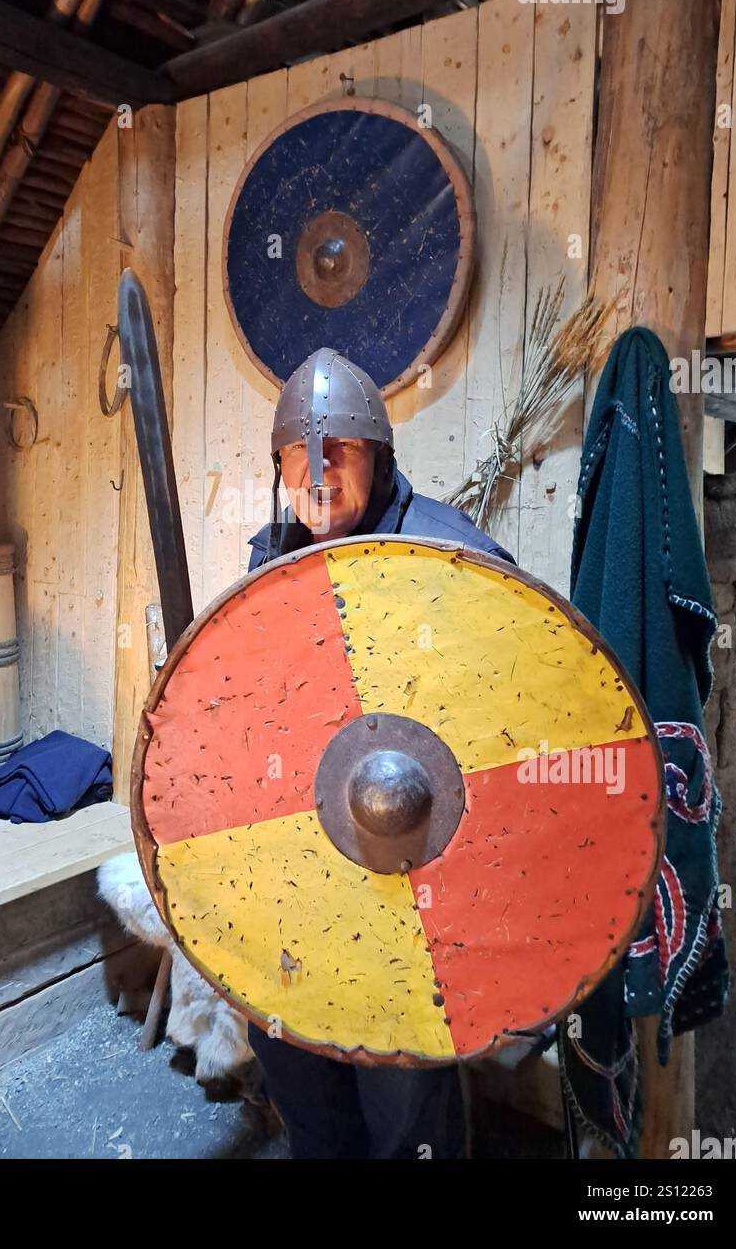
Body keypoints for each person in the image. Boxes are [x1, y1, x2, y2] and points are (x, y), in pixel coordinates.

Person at [244, 347, 514, 1160]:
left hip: (411, 878)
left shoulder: (451, 558)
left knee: (403, 1099)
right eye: (298, 455)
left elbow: (511, 716)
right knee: (300, 1075)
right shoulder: (270, 559)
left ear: (380, 456)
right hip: (300, 869)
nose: (317, 474)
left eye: (341, 451)